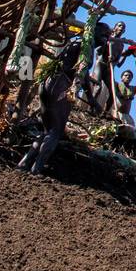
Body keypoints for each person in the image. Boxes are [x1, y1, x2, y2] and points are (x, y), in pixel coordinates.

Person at [18, 36, 81, 175]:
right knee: (55, 132)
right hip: (59, 85)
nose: (106, 38)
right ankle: (37, 168)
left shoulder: (73, 43)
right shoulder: (86, 46)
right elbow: (81, 73)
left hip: (47, 83)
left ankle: (24, 163)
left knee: (47, 130)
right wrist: (90, 99)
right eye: (104, 34)